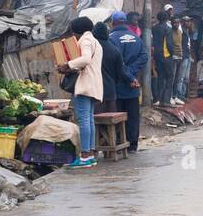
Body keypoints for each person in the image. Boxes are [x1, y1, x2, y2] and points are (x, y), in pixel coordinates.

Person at [57, 16, 103, 168]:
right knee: (89, 120)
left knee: (83, 120)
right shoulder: (95, 41)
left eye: (73, 32)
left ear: (78, 31)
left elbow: (85, 59)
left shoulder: (85, 40)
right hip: (93, 84)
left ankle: (84, 156)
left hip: (84, 85)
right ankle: (90, 155)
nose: (73, 35)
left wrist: (67, 65)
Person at [109, 12, 145, 153]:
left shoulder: (111, 39)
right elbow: (144, 57)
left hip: (118, 84)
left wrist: (128, 75)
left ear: (113, 23)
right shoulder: (136, 38)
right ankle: (133, 145)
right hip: (133, 85)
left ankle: (120, 144)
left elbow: (117, 63)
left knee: (118, 115)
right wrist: (132, 74)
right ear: (125, 22)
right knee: (133, 115)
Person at [94, 21, 124, 115]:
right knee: (110, 119)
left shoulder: (91, 48)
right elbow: (120, 73)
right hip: (110, 91)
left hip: (94, 91)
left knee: (95, 119)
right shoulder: (115, 50)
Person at [169, 16, 188, 106]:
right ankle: (169, 97)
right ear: (171, 23)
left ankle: (175, 96)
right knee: (171, 78)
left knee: (177, 78)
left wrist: (181, 55)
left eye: (178, 22)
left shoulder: (180, 32)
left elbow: (180, 45)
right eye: (175, 22)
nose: (176, 24)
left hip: (179, 57)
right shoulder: (169, 32)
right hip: (172, 57)